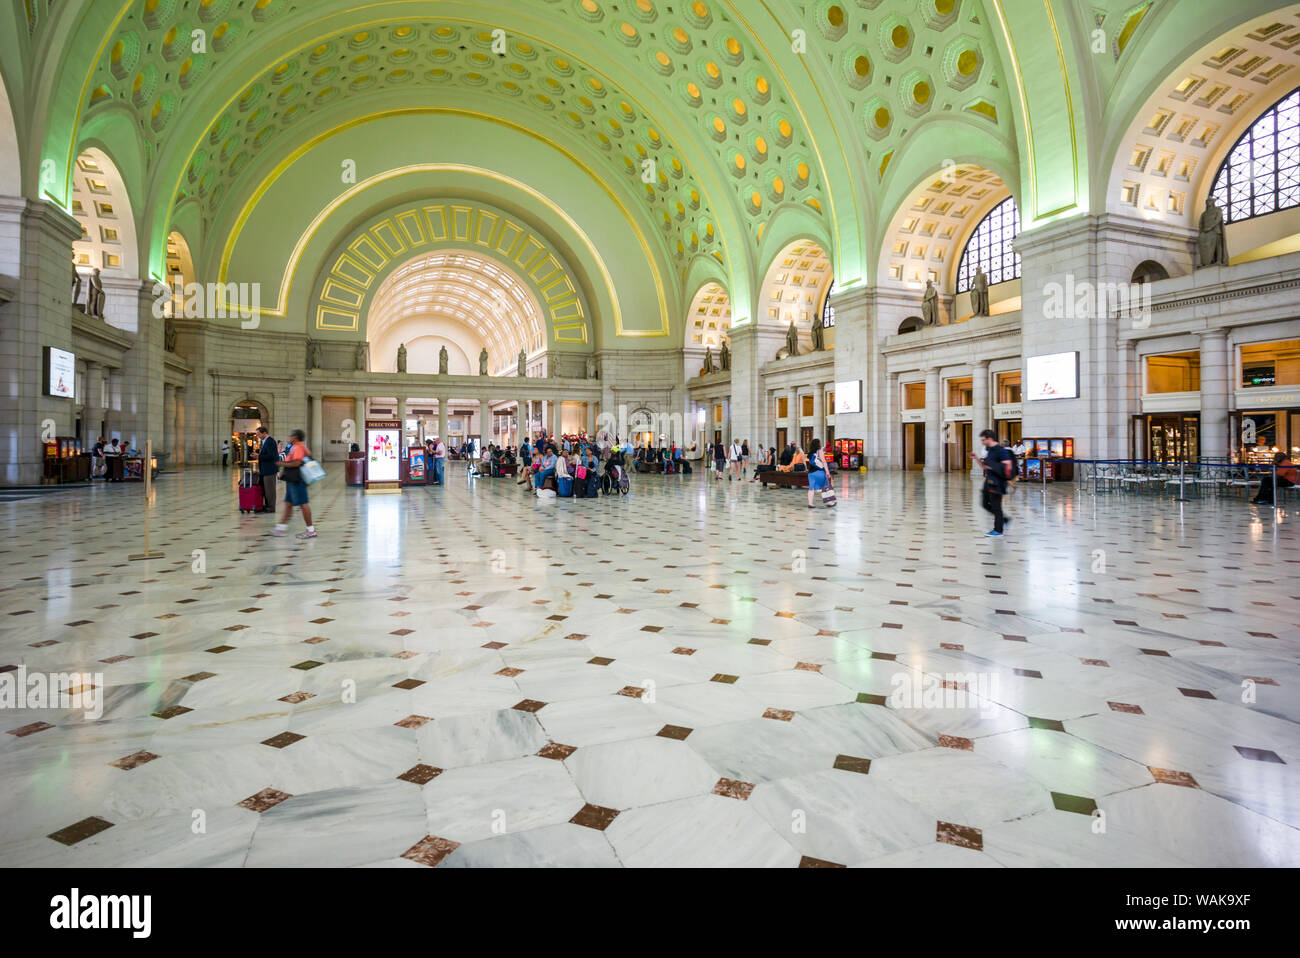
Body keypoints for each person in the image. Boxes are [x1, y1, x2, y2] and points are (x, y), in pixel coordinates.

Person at [273, 429, 316, 539]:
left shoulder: (298, 447)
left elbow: (297, 462)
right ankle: (281, 528)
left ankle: (311, 530)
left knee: (303, 504)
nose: (289, 437)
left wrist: (281, 463)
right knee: (288, 504)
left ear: (295, 437)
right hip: (292, 480)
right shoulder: (298, 447)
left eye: (291, 436)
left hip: (297, 480)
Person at [973, 429, 1014, 537]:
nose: (982, 442)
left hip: (997, 482)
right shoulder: (990, 450)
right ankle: (1004, 519)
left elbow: (1008, 466)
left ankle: (998, 530)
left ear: (989, 438)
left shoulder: (1001, 450)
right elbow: (985, 466)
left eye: (983, 440)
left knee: (996, 506)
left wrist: (992, 466)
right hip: (989, 480)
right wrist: (976, 458)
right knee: (984, 503)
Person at [256, 426, 279, 514]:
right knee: (265, 489)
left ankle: (271, 507)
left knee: (270, 490)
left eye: (258, 434)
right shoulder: (264, 441)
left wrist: (259, 456)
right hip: (264, 469)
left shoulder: (270, 441)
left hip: (270, 469)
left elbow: (271, 456)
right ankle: (266, 506)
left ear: (264, 433)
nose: (257, 436)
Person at [806, 438, 833, 509]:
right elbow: (823, 461)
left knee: (811, 488)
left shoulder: (810, 452)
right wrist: (827, 472)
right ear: (818, 444)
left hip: (811, 473)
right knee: (826, 486)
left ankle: (810, 503)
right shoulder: (819, 450)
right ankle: (829, 502)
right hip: (819, 472)